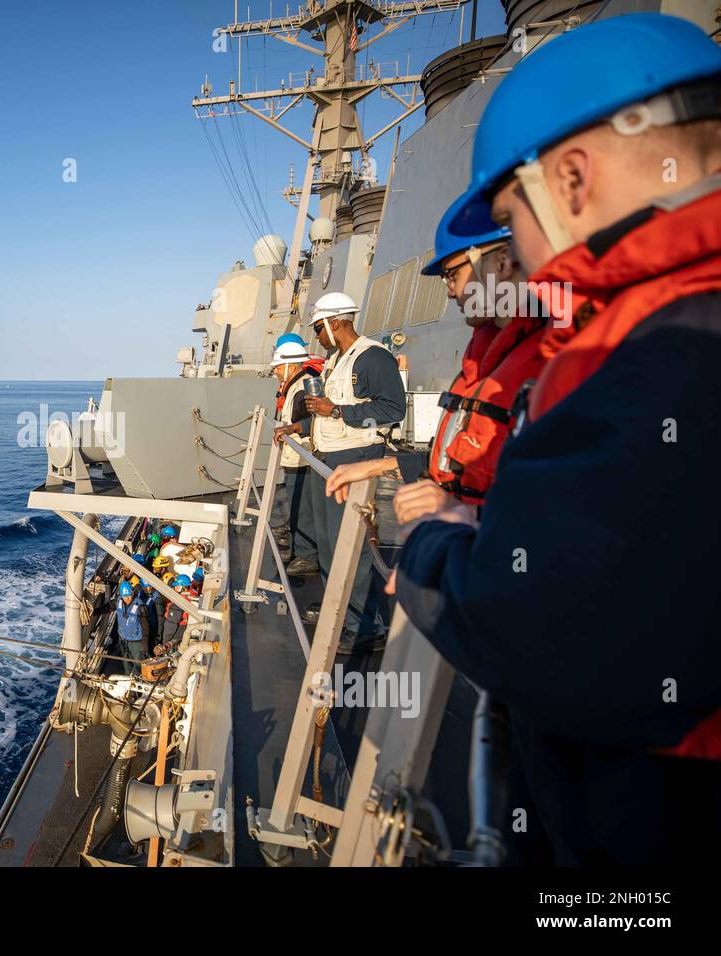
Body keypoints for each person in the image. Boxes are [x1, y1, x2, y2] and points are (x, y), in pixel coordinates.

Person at [392, 13, 721, 864]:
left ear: (570, 181)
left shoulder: (663, 344)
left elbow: (538, 626)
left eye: (512, 218)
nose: (519, 259)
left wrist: (430, 548)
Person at [323, 210, 545, 521]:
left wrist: (464, 513)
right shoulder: (487, 357)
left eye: (452, 274)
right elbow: (468, 457)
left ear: (503, 262)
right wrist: (382, 466)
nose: (450, 290)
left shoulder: (553, 362)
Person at [301, 292, 406, 653]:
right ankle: (339, 608)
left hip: (356, 457)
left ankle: (363, 626)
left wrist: (337, 411)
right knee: (331, 542)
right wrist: (301, 425)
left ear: (337, 322)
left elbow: (393, 410)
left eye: (318, 327)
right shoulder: (335, 360)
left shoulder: (373, 358)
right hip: (329, 458)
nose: (317, 335)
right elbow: (332, 409)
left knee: (353, 544)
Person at [268, 334, 322, 572]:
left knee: (304, 509)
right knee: (298, 507)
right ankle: (301, 548)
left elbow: (308, 422)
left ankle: (307, 556)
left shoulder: (303, 387)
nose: (277, 373)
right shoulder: (295, 386)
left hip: (303, 459)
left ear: (290, 365)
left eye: (278, 367)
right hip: (295, 458)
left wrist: (289, 431)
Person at [115, 580, 150, 673]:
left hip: (136, 642)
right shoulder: (118, 601)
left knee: (138, 665)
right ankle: (128, 677)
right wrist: (94, 611)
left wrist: (144, 646)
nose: (127, 599)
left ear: (133, 592)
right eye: (124, 596)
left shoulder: (141, 606)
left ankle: (139, 679)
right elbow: (108, 606)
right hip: (123, 640)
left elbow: (145, 627)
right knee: (126, 663)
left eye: (129, 595)